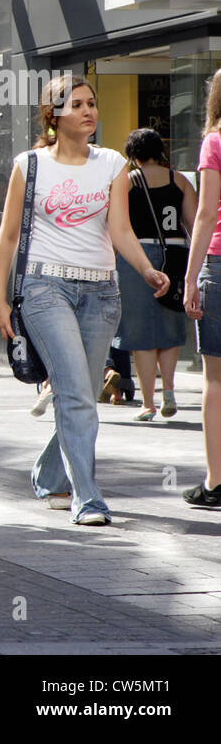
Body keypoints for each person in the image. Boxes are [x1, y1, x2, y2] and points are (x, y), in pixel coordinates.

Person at [0, 75, 169, 527]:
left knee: (82, 395)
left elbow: (120, 230)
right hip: (44, 288)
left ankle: (50, 474)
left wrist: (146, 269)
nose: (89, 111)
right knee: (73, 392)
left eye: (92, 103)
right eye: (77, 104)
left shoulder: (111, 163)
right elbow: (9, 234)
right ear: (54, 115)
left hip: (101, 290)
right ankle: (87, 498)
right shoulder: (29, 165)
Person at [115, 128, 196, 421]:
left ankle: (148, 403)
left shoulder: (128, 182)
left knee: (141, 334)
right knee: (170, 324)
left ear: (133, 156)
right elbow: (194, 222)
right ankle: (170, 391)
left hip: (138, 258)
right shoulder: (180, 181)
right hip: (175, 255)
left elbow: (116, 223)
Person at [183, 67, 221, 506]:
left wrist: (190, 277)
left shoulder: (214, 142)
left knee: (215, 381)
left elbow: (207, 214)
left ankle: (215, 481)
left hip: (220, 264)